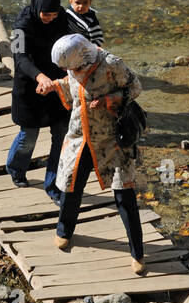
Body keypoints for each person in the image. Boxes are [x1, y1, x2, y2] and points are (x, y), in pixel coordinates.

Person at [50, 34, 145, 275]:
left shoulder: (112, 64)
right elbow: (73, 90)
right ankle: (64, 231)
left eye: (73, 67)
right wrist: (55, 86)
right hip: (80, 135)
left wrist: (109, 100)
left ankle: (138, 253)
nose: (73, 71)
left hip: (112, 138)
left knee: (124, 194)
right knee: (72, 185)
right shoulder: (74, 67)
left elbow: (135, 87)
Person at [6, 0, 72, 198]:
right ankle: (16, 169)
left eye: (54, 15)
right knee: (29, 137)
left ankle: (53, 185)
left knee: (60, 135)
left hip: (56, 86)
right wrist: (39, 77)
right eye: (46, 15)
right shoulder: (20, 26)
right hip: (29, 87)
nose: (51, 19)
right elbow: (20, 58)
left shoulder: (61, 18)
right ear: (37, 8)